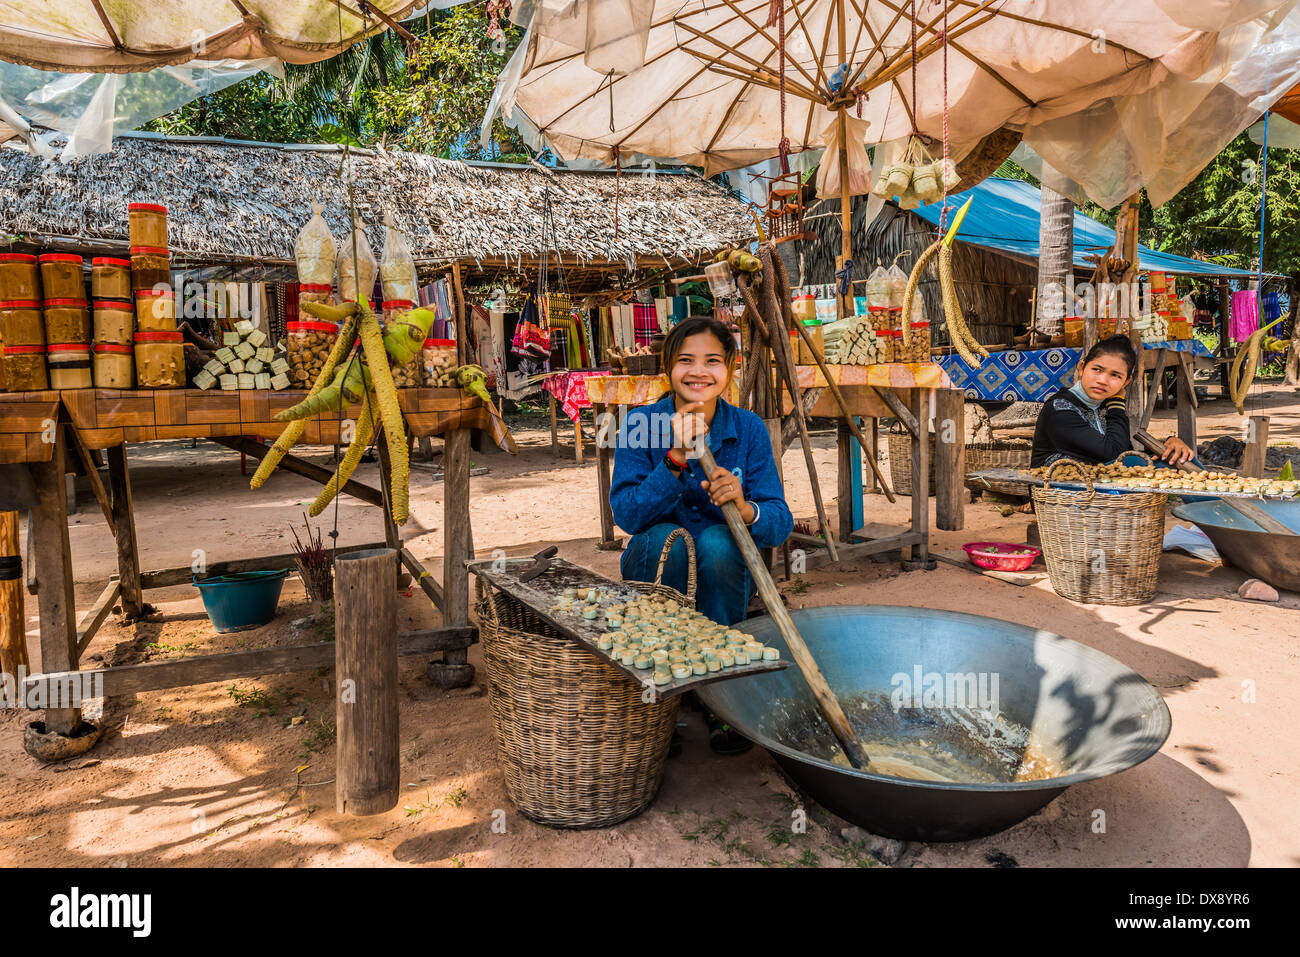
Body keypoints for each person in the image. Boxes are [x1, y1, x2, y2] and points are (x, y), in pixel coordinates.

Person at [610, 316, 794, 756]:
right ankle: (661, 697)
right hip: (657, 564)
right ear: (667, 370)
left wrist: (747, 508)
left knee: (716, 541)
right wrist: (674, 461)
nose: (698, 372)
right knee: (667, 539)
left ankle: (721, 696)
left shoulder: (747, 428)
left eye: (712, 360)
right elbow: (628, 514)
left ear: (730, 368)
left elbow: (780, 520)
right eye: (685, 361)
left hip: (721, 575)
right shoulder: (642, 423)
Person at [1030, 335, 1195, 469]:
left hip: (1104, 480)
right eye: (1097, 369)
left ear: (1126, 382)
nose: (1103, 380)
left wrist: (1167, 445)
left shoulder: (1103, 405)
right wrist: (1117, 404)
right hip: (1062, 489)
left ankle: (1211, 508)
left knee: (1180, 457)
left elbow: (1125, 450)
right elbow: (1116, 455)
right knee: (1133, 463)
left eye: (1115, 375)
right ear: (1081, 367)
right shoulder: (1060, 408)